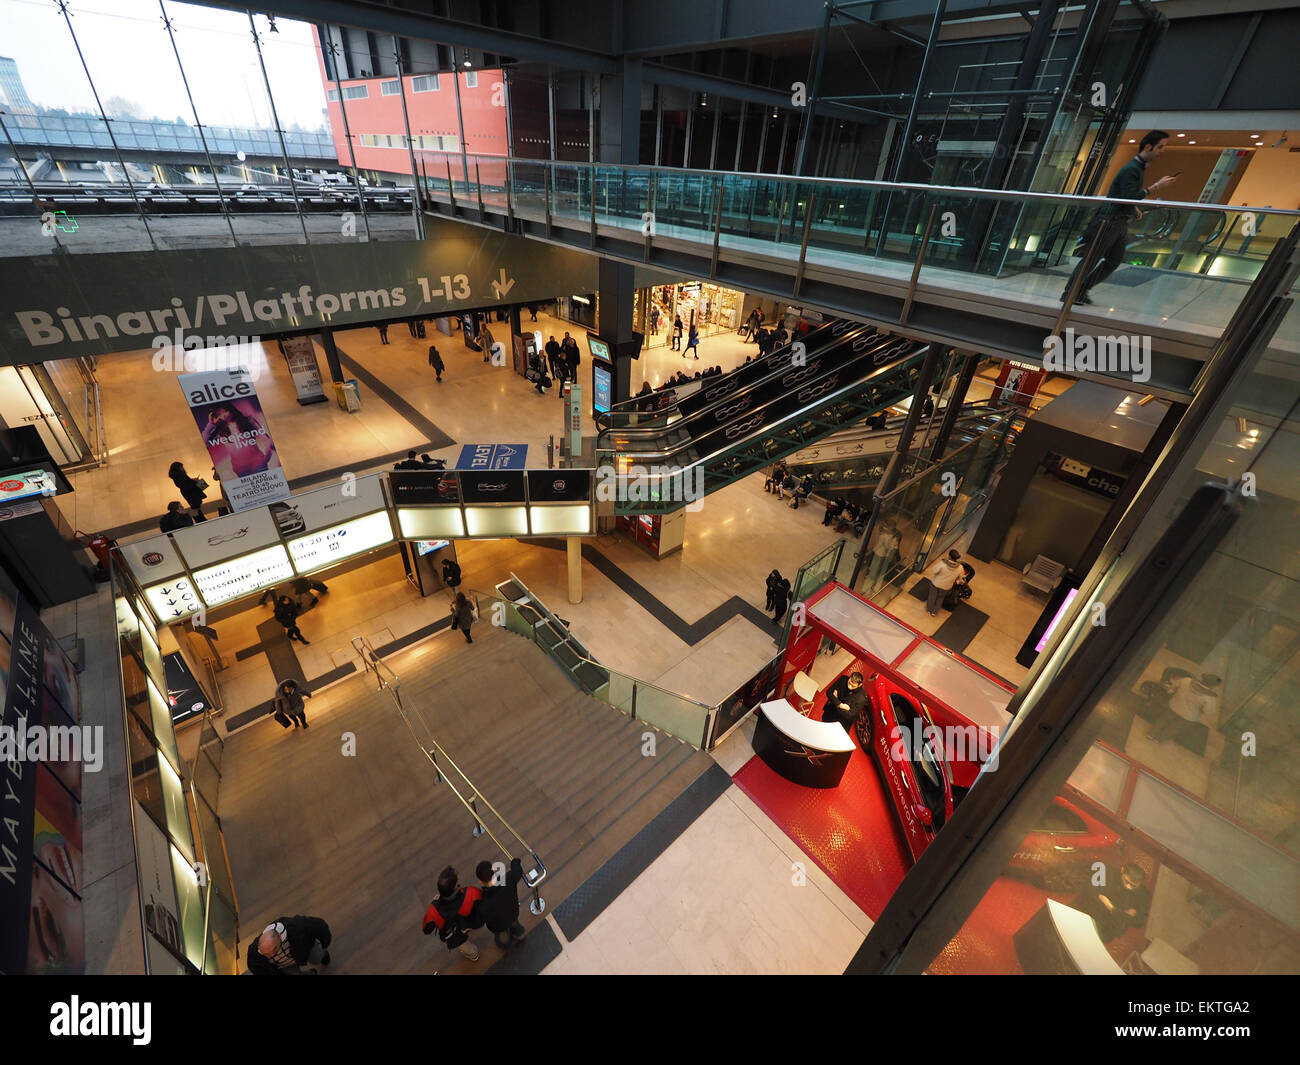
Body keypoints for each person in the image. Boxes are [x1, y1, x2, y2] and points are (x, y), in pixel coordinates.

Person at [1062, 130, 1176, 306]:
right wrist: (1155, 187)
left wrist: (1133, 208)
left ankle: (1081, 288)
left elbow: (1124, 195)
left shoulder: (1136, 168)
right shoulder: (1132, 169)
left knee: (1113, 260)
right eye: (1160, 147)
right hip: (1109, 220)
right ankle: (1071, 292)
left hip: (1117, 220)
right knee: (1092, 258)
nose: (1162, 151)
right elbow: (1128, 196)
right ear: (1148, 146)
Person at [422, 866, 483, 961]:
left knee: (464, 945)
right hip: (470, 922)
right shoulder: (470, 892)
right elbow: (481, 898)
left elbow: (426, 929)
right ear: (455, 886)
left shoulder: (434, 910)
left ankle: (473, 955)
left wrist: (433, 903)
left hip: (453, 935)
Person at [1082, 863, 1151, 943]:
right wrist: (1123, 913)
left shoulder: (1143, 894)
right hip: (1090, 915)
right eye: (1126, 881)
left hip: (1108, 930)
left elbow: (1139, 922)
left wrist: (1111, 908)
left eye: (1133, 886)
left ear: (1140, 884)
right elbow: (1090, 889)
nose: (1128, 887)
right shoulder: (1107, 872)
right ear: (1122, 870)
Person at [1148, 672, 1221, 744]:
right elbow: (1208, 711)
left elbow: (1173, 688)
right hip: (1187, 717)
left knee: (1162, 721)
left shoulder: (1186, 680)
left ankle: (1151, 734)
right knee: (1174, 728)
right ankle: (1159, 739)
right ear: (1212, 686)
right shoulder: (1209, 698)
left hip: (1173, 707)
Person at [246, 915, 332, 974]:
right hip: (284, 966)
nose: (270, 956)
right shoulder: (254, 956)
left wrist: (325, 942)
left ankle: (323, 954)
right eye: (265, 953)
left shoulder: (297, 927)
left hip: (305, 950)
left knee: (316, 958)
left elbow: (319, 925)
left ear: (280, 938)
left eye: (273, 950)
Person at [475, 857, 527, 949]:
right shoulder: (509, 879)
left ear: (480, 881)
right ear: (494, 871)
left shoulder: (484, 903)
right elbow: (517, 871)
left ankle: (507, 945)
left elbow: (481, 919)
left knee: (503, 938)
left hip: (499, 926)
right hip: (513, 913)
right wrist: (515, 861)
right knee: (515, 924)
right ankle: (520, 934)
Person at [925, 549, 964, 616]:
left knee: (932, 596)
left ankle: (929, 609)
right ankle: (934, 612)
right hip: (946, 586)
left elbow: (934, 570)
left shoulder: (943, 564)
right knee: (940, 598)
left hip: (936, 583)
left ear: (949, 556)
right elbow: (960, 579)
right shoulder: (960, 567)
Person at [866, 523, 901, 591]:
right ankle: (874, 587)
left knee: (877, 570)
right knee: (878, 570)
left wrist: (873, 550)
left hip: (882, 555)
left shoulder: (887, 536)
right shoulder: (890, 536)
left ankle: (872, 586)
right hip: (883, 555)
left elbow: (885, 545)